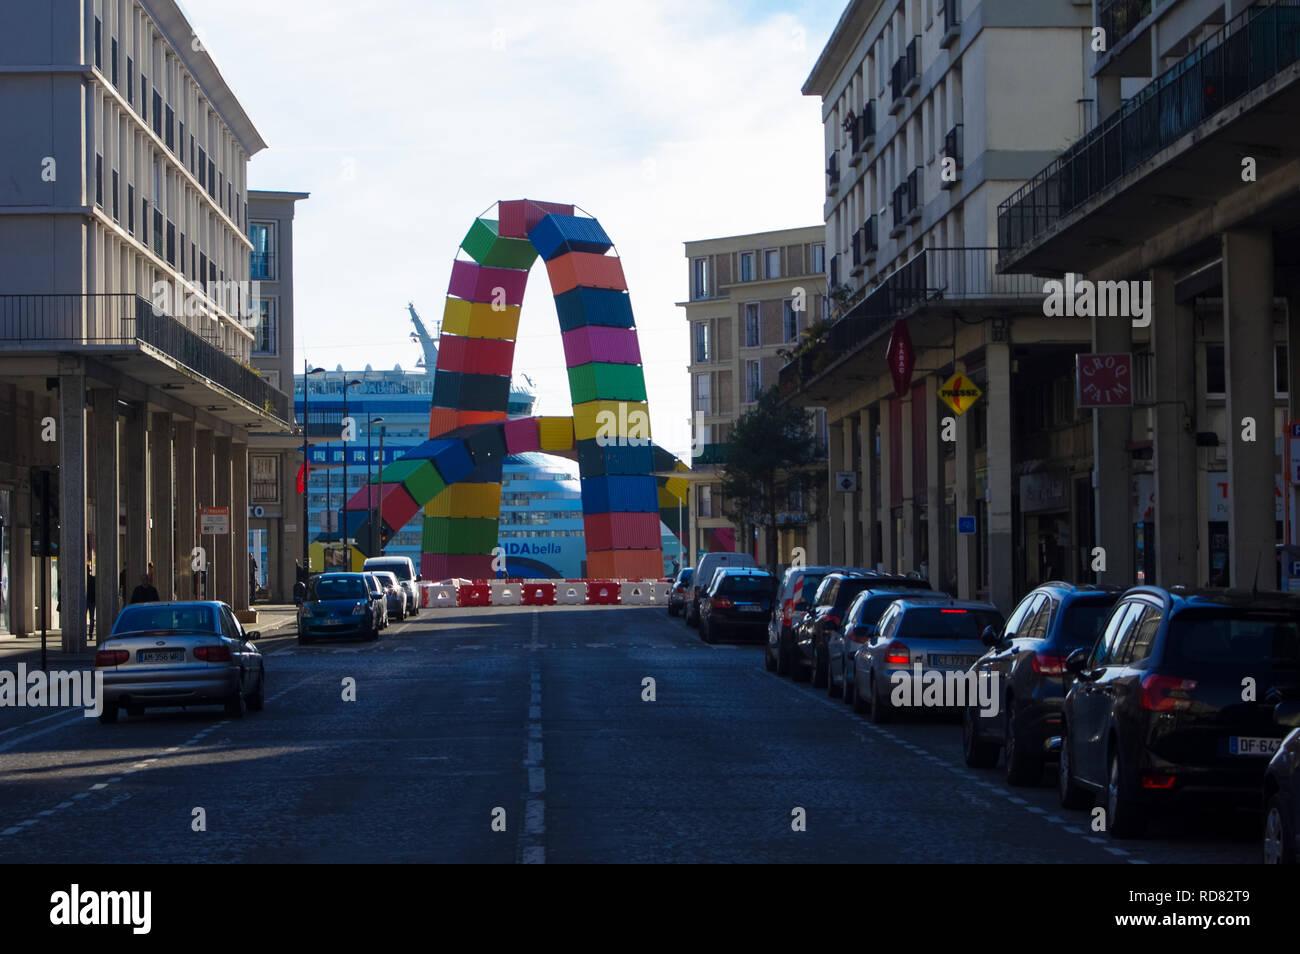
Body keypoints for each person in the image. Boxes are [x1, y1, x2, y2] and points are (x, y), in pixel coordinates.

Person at [86, 564, 96, 638]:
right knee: (92, 618)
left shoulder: (83, 580)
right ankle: (90, 633)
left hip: (85, 601)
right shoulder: (93, 579)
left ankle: (84, 633)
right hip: (92, 600)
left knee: (83, 617)